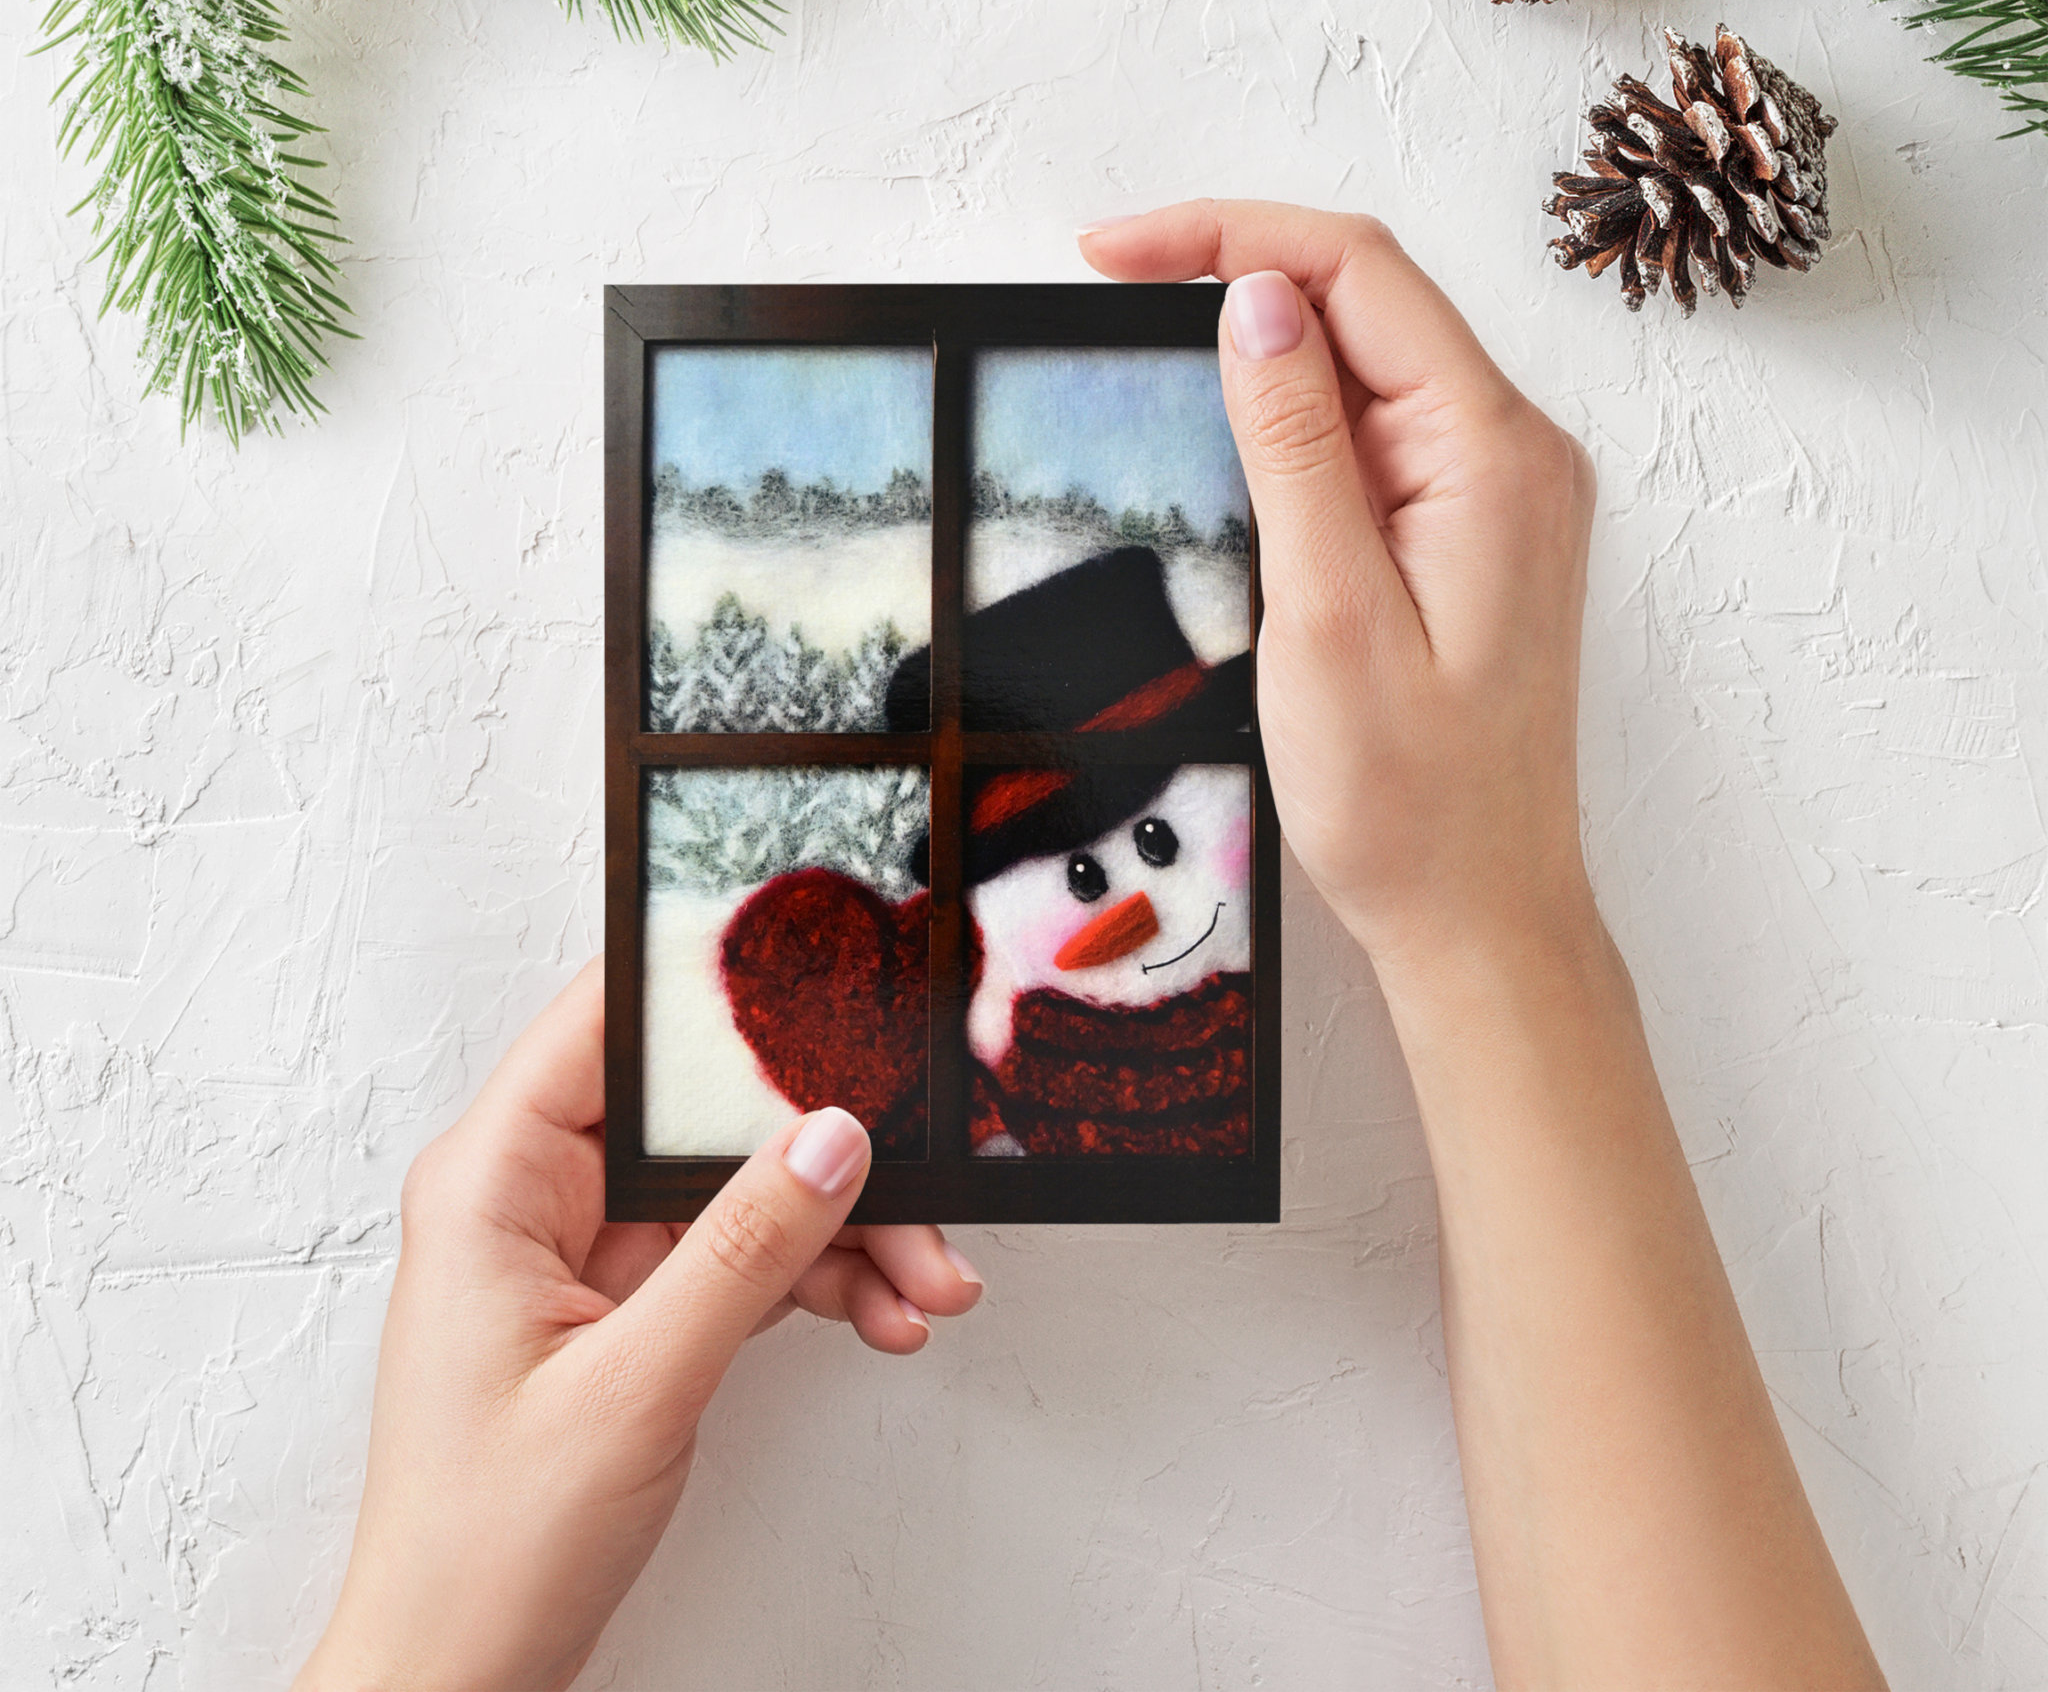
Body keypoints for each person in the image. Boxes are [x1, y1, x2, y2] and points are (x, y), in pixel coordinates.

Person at [293, 201, 1888, 1692]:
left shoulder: (1191, 1052)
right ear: (968, 917)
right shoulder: (991, 1090)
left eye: (1148, 835)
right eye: (1061, 863)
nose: (1128, 898)